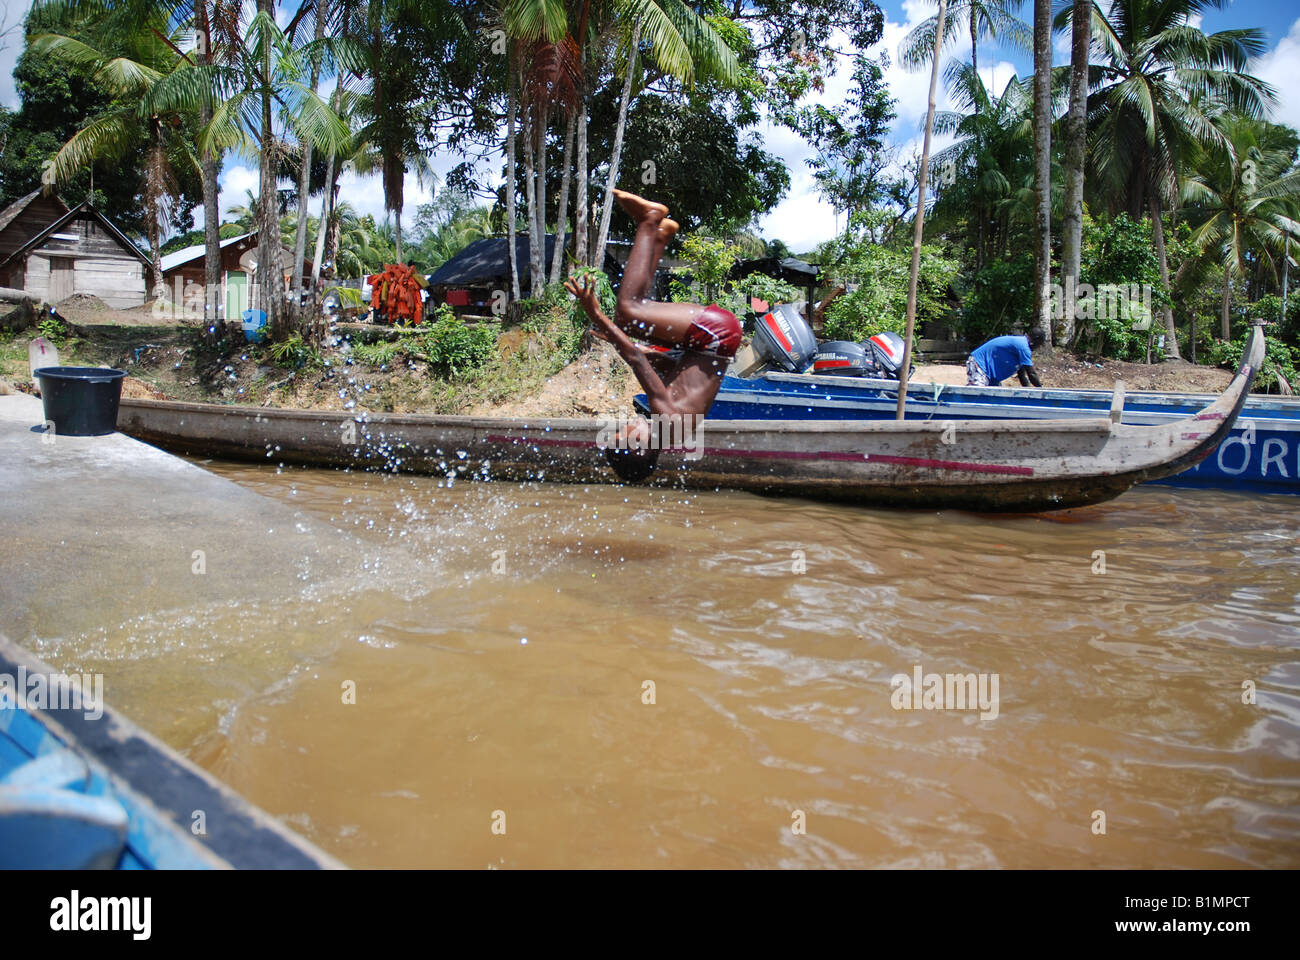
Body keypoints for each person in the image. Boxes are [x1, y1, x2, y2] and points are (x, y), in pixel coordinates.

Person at [564, 189, 741, 481]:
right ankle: (650, 219)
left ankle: (661, 235)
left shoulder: (671, 432)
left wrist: (630, 344)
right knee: (628, 309)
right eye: (624, 432)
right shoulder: (667, 423)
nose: (625, 425)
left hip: (709, 343)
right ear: (637, 444)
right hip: (715, 334)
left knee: (628, 323)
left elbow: (679, 372)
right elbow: (635, 358)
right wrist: (595, 314)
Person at [966, 330, 1045, 387]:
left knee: (996, 400)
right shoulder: (1024, 347)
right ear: (1035, 341)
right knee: (977, 395)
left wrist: (1028, 392)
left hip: (991, 375)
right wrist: (1041, 392)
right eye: (1039, 344)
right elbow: (1031, 374)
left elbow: (1022, 376)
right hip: (979, 364)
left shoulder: (1021, 346)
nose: (1037, 347)